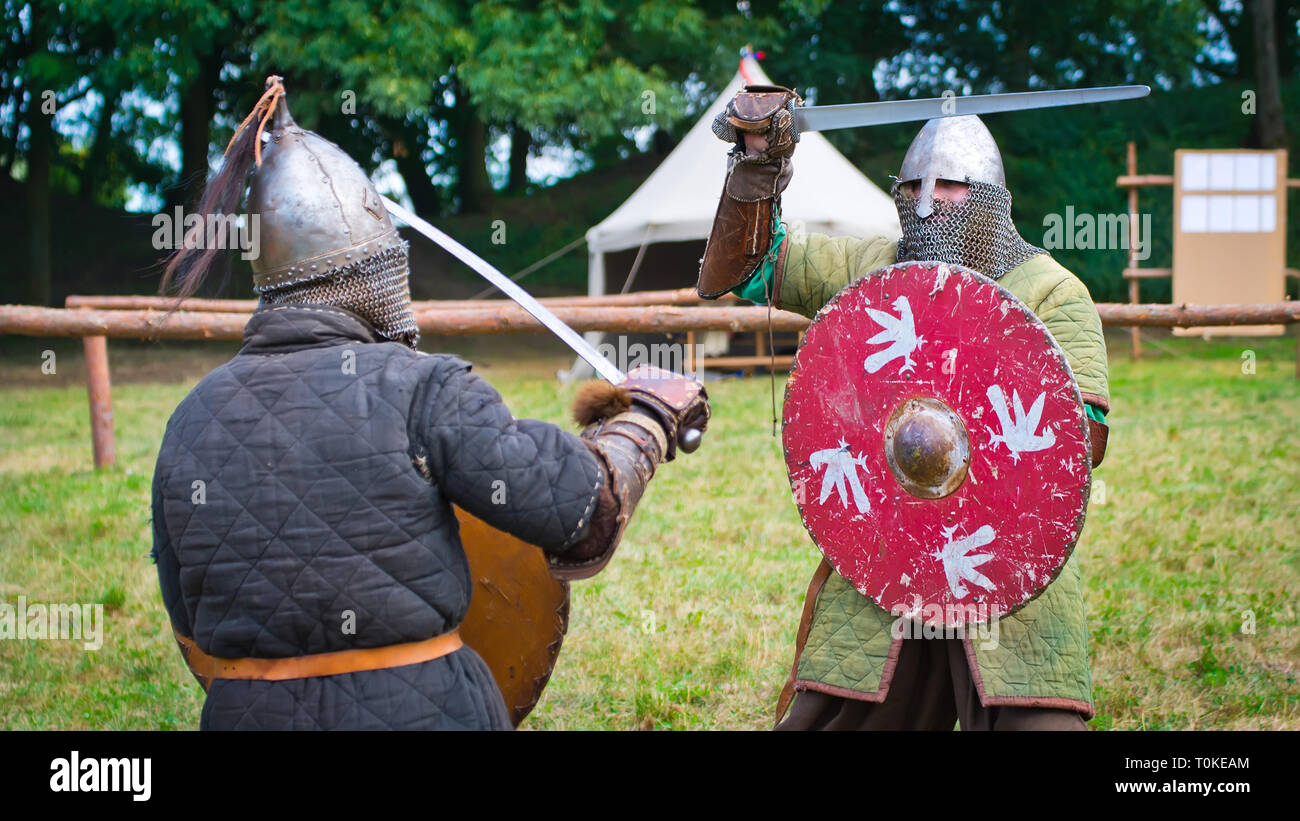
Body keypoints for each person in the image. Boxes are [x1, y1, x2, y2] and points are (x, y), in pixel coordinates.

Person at [151, 77, 708, 730]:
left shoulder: (190, 420)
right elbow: (583, 515)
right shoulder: (423, 389)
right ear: (376, 277)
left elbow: (190, 622)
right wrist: (647, 416)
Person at [699, 84, 1110, 730]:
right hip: (890, 550)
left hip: (999, 556)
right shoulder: (873, 265)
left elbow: (1082, 439)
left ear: (990, 200)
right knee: (837, 715)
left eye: (947, 184)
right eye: (914, 183)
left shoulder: (1051, 291)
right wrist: (756, 163)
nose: (926, 199)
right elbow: (746, 266)